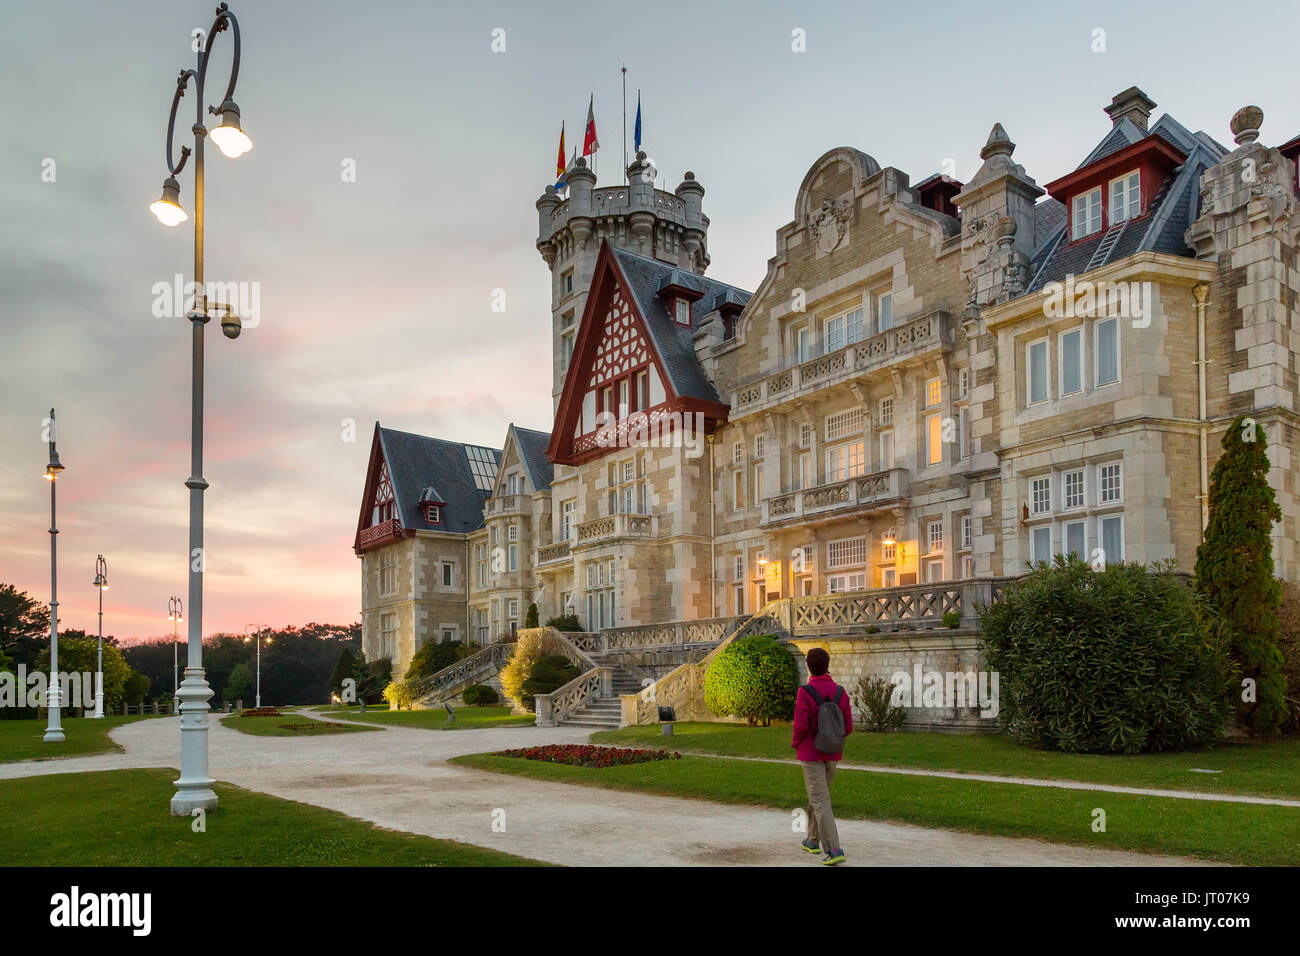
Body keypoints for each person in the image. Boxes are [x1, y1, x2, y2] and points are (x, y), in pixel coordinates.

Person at [791, 647, 852, 865]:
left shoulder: (805, 692)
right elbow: (849, 726)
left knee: (820, 799)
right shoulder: (840, 692)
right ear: (828, 665)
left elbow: (800, 726)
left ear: (809, 666)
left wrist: (796, 743)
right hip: (832, 752)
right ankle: (812, 840)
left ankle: (834, 849)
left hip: (811, 752)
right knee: (819, 796)